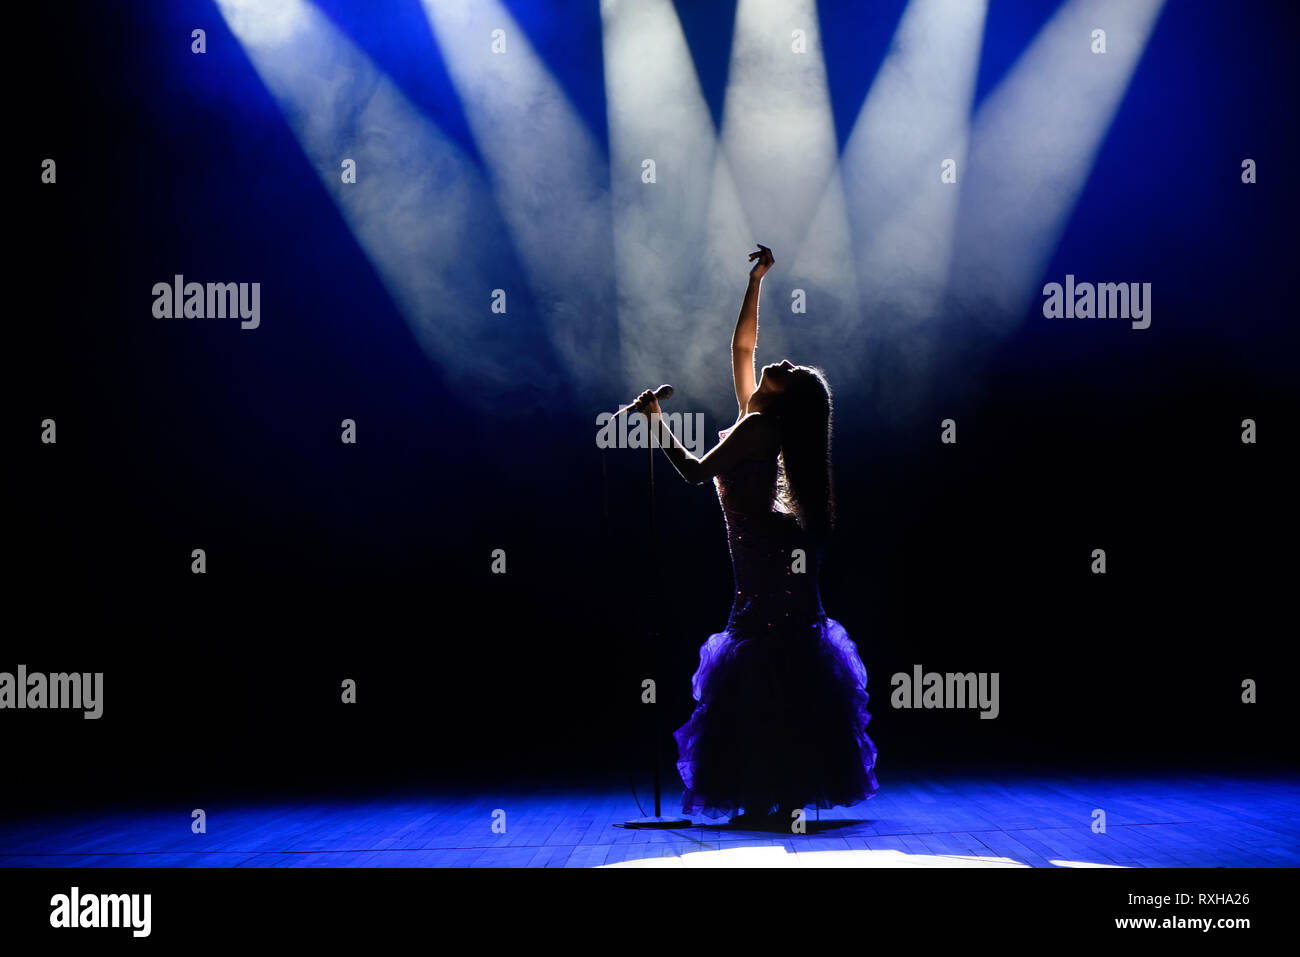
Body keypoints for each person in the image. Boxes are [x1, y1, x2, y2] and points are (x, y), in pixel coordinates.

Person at [635, 243, 878, 827]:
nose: (784, 363)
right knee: (772, 662)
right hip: (762, 551)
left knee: (765, 662)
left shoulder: (760, 423)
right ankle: (776, 793)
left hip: (765, 554)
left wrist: (655, 423)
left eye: (792, 375)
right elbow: (741, 345)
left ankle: (779, 792)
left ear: (785, 401)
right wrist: (758, 280)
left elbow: (695, 472)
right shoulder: (754, 415)